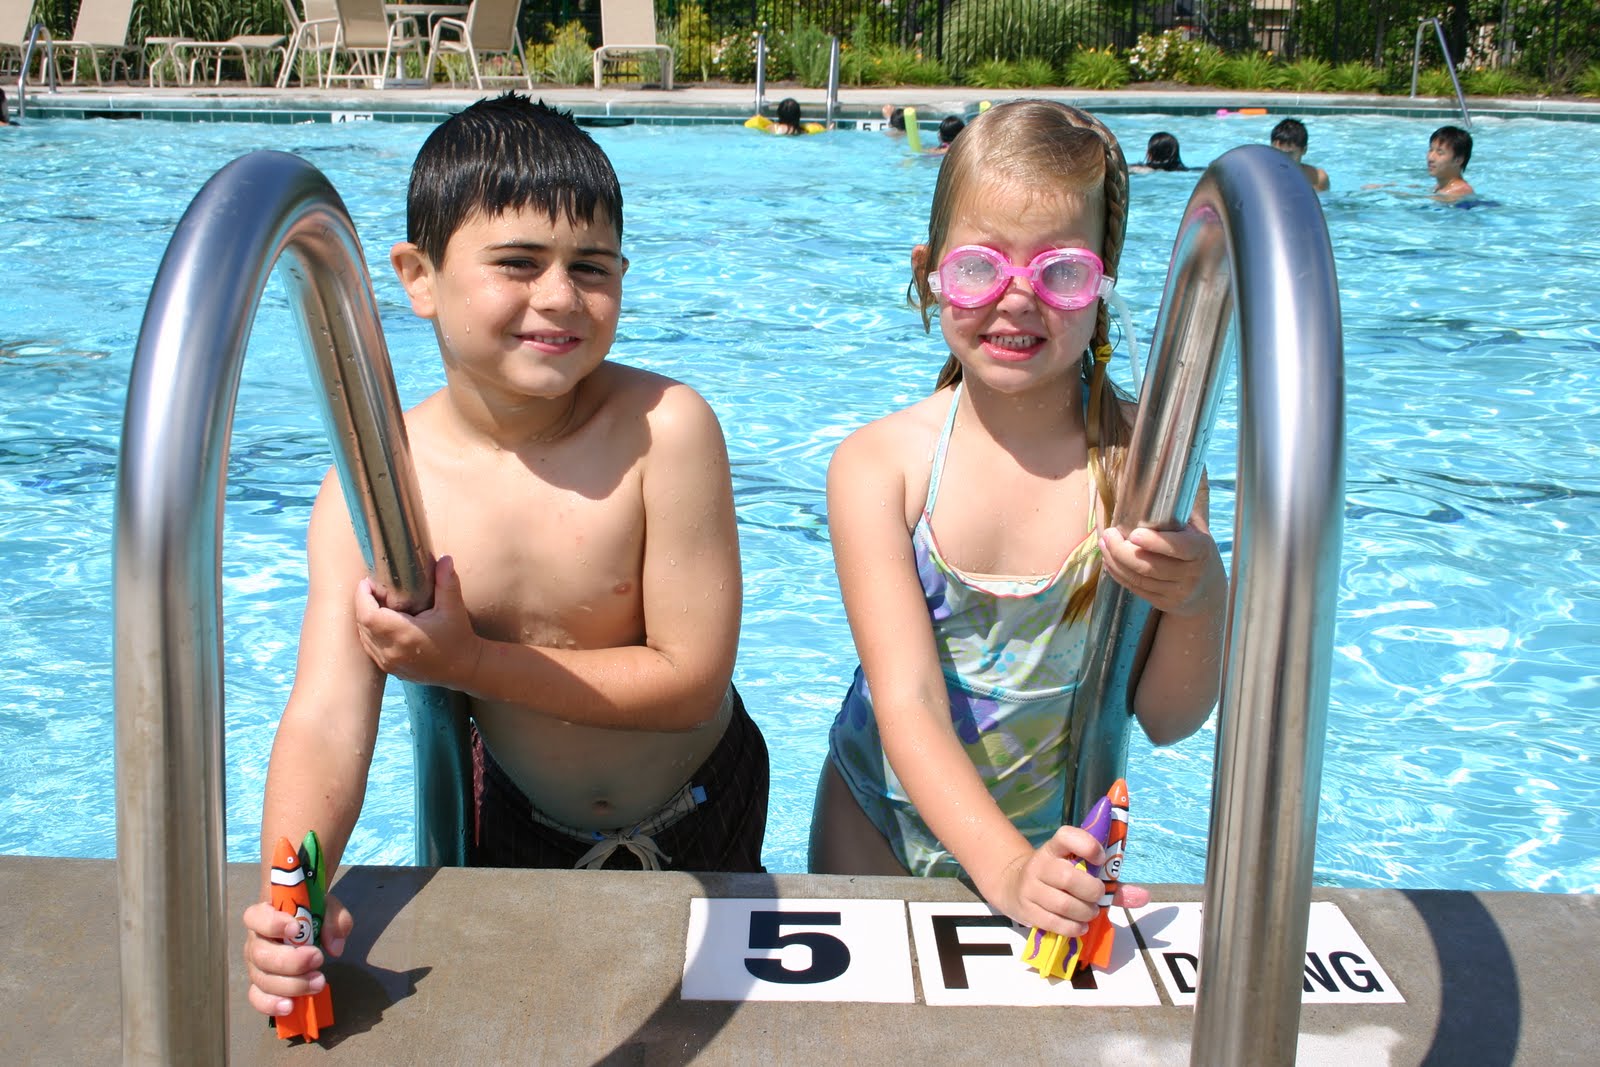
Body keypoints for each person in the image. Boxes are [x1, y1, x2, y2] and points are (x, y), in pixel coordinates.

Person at [242, 94, 767, 1022]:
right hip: (519, 818)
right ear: (419, 275)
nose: (560, 296)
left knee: (712, 1024)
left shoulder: (663, 431)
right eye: (519, 263)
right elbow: (325, 717)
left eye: (592, 268)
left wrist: (472, 664)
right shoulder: (376, 490)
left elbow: (691, 680)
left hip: (701, 797)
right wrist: (292, 892)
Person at [808, 100, 1227, 941]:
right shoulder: (881, 467)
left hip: (1056, 851)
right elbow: (910, 700)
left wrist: (1202, 595)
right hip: (873, 833)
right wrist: (1003, 869)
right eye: (979, 267)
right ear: (931, 271)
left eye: (1060, 271)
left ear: (1102, 280)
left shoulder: (1146, 474)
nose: (1016, 298)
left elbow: (1168, 717)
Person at [1270, 118, 1329, 192]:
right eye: (1277, 152)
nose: (1282, 159)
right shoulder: (1260, 175)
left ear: (1304, 150)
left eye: (1289, 154)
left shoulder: (1317, 179)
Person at [1427, 124, 1474, 201]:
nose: (1430, 158)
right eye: (1431, 150)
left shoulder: (1459, 192)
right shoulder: (1441, 187)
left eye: (1440, 153)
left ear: (1458, 160)